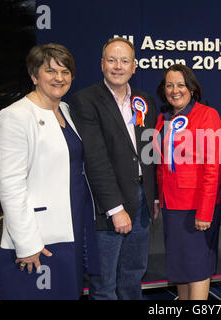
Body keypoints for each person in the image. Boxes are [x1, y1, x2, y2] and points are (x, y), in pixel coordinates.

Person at [0, 43, 100, 300]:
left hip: (73, 225)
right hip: (39, 236)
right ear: (34, 75)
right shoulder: (15, 116)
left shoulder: (64, 110)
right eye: (50, 71)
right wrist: (27, 243)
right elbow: (10, 184)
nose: (59, 78)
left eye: (65, 72)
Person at [69, 37, 158, 300]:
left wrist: (152, 194)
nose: (117, 66)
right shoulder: (85, 101)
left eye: (124, 61)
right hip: (106, 206)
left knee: (133, 275)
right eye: (112, 60)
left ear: (134, 66)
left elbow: (147, 151)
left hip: (142, 201)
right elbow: (94, 159)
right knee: (104, 284)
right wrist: (115, 208)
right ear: (101, 64)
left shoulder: (145, 101)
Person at [154, 64, 221, 300]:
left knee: (197, 268)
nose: (175, 90)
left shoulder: (207, 115)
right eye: (169, 85)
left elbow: (213, 167)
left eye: (181, 85)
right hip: (171, 206)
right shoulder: (163, 119)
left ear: (191, 88)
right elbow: (160, 166)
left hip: (196, 207)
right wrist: (157, 199)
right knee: (180, 269)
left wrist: (205, 211)